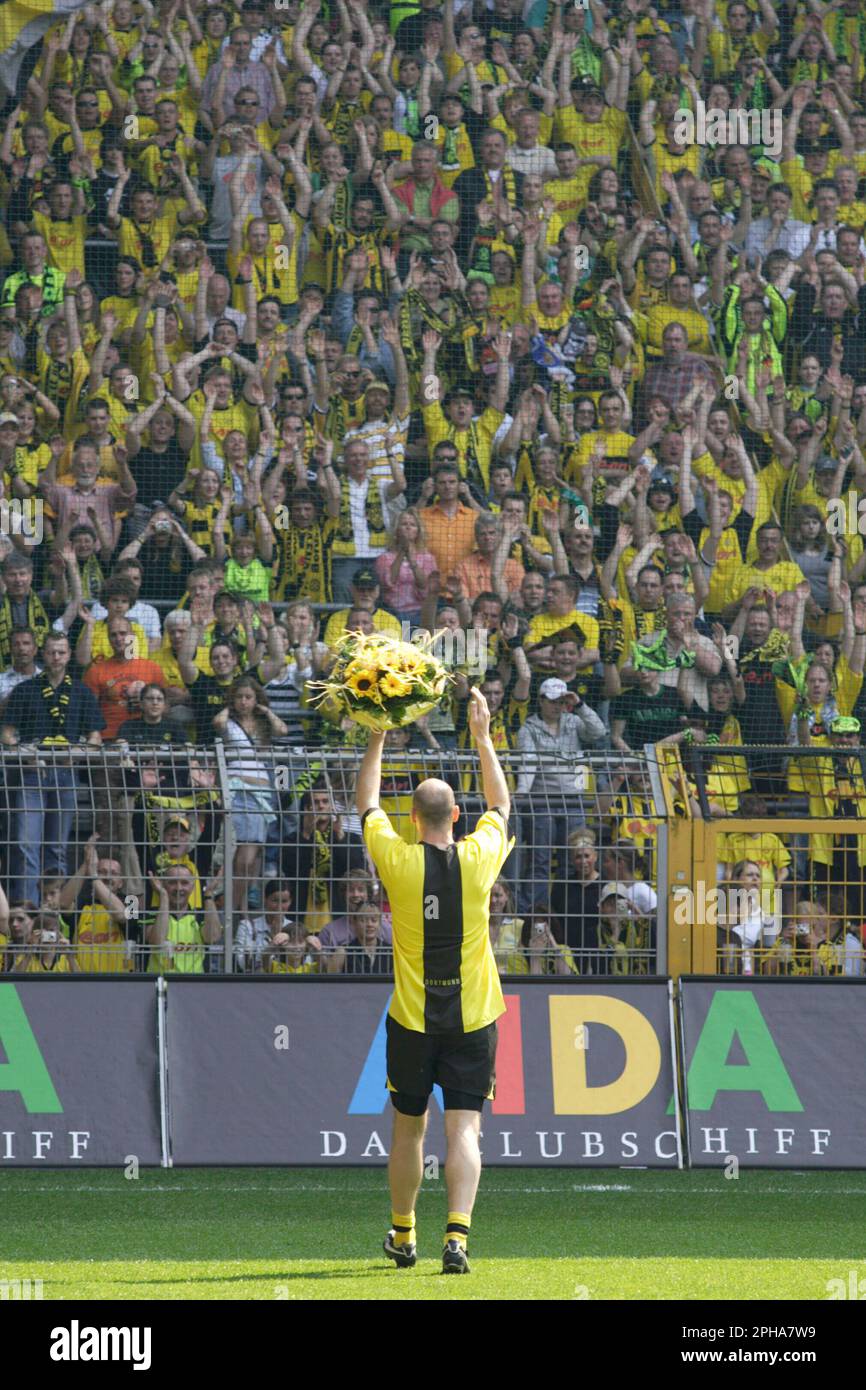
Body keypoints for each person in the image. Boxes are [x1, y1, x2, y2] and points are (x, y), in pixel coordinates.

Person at [356, 686, 513, 1275]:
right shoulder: (477, 859)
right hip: (473, 1018)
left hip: (413, 1021)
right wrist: (482, 736)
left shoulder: (396, 862)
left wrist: (378, 730)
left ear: (412, 818)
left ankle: (402, 1236)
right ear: (454, 815)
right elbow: (500, 805)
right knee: (465, 1130)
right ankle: (457, 1240)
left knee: (407, 1132)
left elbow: (366, 801)